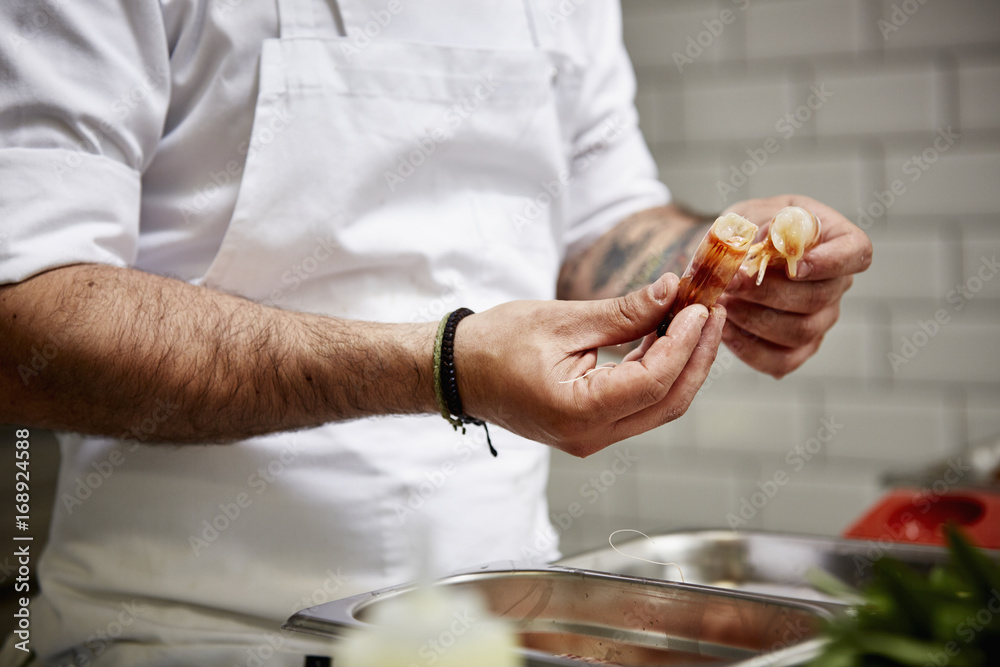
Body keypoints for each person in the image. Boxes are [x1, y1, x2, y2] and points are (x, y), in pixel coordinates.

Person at [0, 1, 871, 664]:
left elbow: (604, 225)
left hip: (503, 616)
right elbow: (24, 319)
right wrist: (446, 366)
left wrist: (728, 267)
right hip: (177, 624)